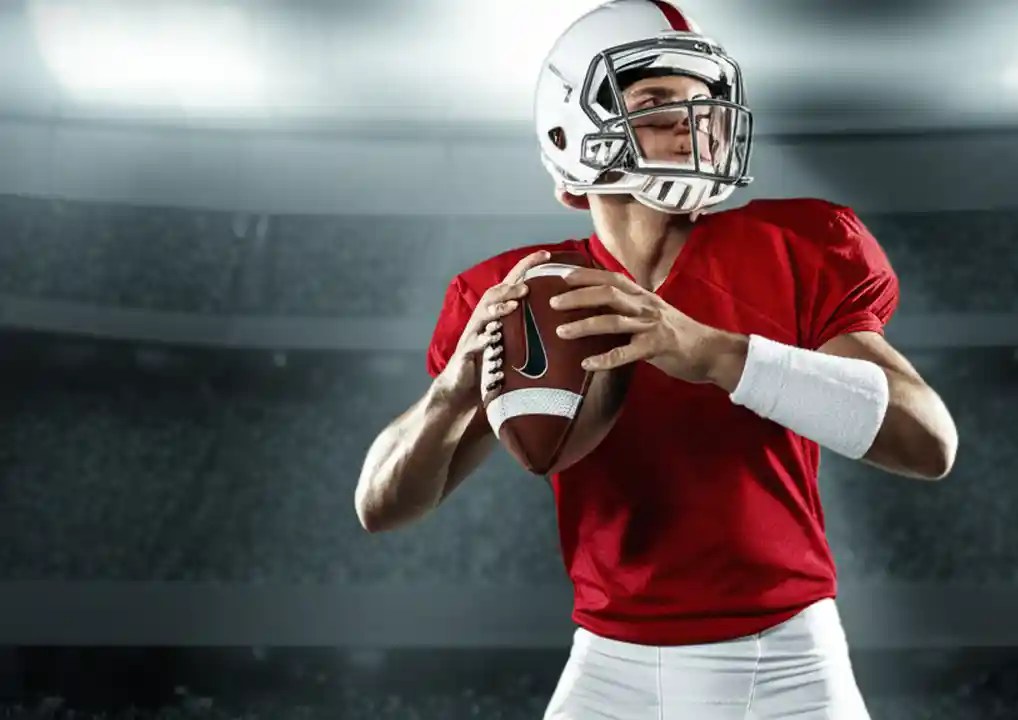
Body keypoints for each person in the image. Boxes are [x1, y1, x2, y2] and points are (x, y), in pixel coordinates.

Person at [355, 1, 959, 717]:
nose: (694, 122)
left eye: (705, 103)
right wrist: (450, 399)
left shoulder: (795, 245)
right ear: (570, 133)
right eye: (656, 103)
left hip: (785, 660)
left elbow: (929, 442)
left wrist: (709, 352)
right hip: (609, 665)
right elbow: (381, 507)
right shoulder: (522, 293)